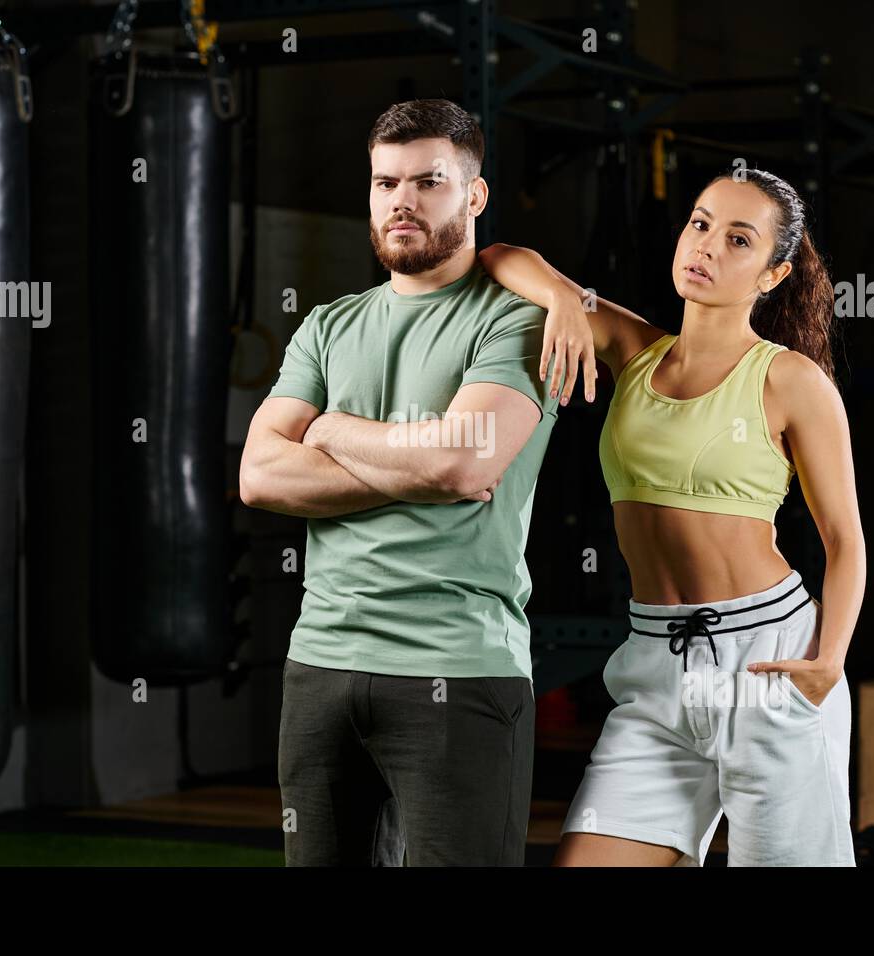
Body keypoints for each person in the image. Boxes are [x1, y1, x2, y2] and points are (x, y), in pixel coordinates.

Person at [478, 167, 864, 866]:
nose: (708, 246)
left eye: (739, 239)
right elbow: (498, 258)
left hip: (768, 662)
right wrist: (566, 301)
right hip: (655, 667)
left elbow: (845, 542)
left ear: (772, 275)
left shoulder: (790, 380)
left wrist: (826, 663)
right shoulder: (634, 352)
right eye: (700, 223)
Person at [239, 99, 560, 866]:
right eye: (386, 183)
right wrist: (427, 467)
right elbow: (257, 475)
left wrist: (327, 430)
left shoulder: (516, 321)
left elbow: (465, 463)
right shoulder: (327, 325)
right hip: (320, 664)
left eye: (428, 182)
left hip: (457, 667)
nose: (402, 203)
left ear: (474, 196)